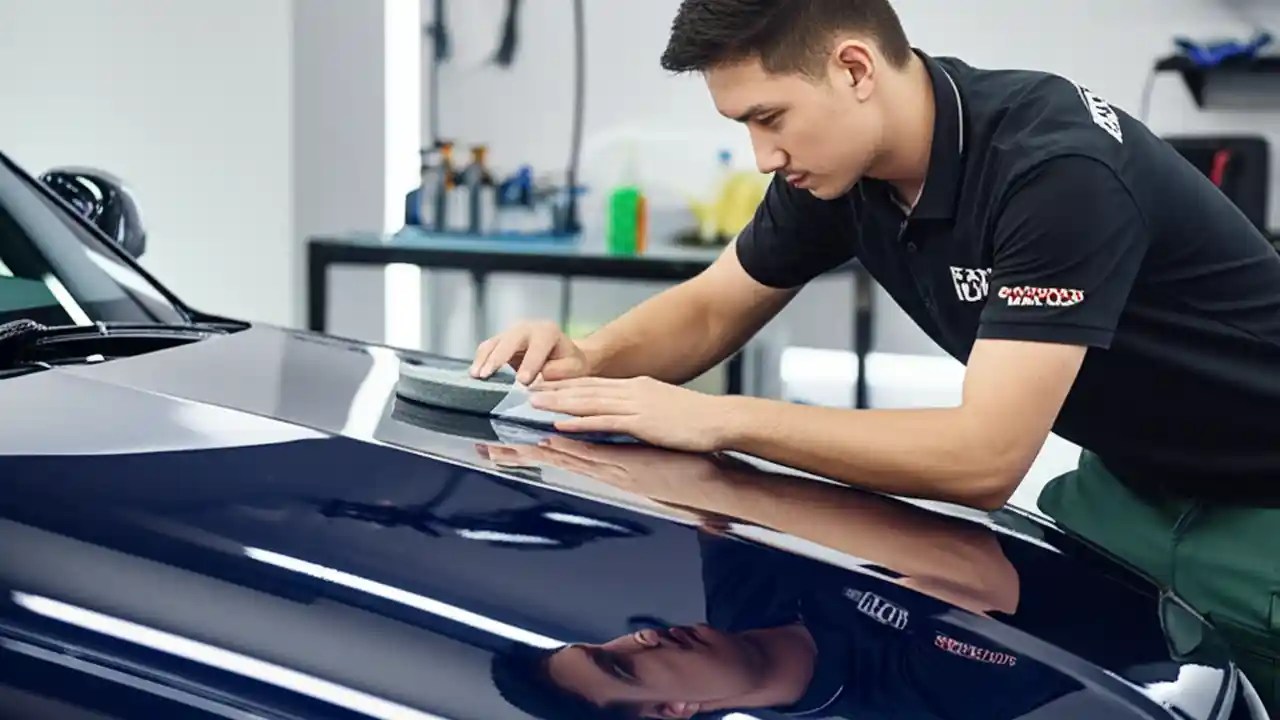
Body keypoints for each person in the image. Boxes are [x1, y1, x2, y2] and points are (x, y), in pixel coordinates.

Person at [471, 0, 1280, 510]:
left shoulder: (1054, 171)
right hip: (1135, 482)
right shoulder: (836, 174)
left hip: (1261, 502)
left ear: (854, 67)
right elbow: (717, 305)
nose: (761, 156)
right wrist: (589, 356)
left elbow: (984, 458)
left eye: (770, 117)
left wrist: (717, 418)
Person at [485, 439, 1209, 719]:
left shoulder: (739, 600)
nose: (638, 636)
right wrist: (745, 499)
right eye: (621, 665)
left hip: (1109, 484)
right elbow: (976, 569)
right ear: (671, 713)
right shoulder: (899, 702)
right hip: (1201, 603)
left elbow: (705, 478)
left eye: (611, 641)